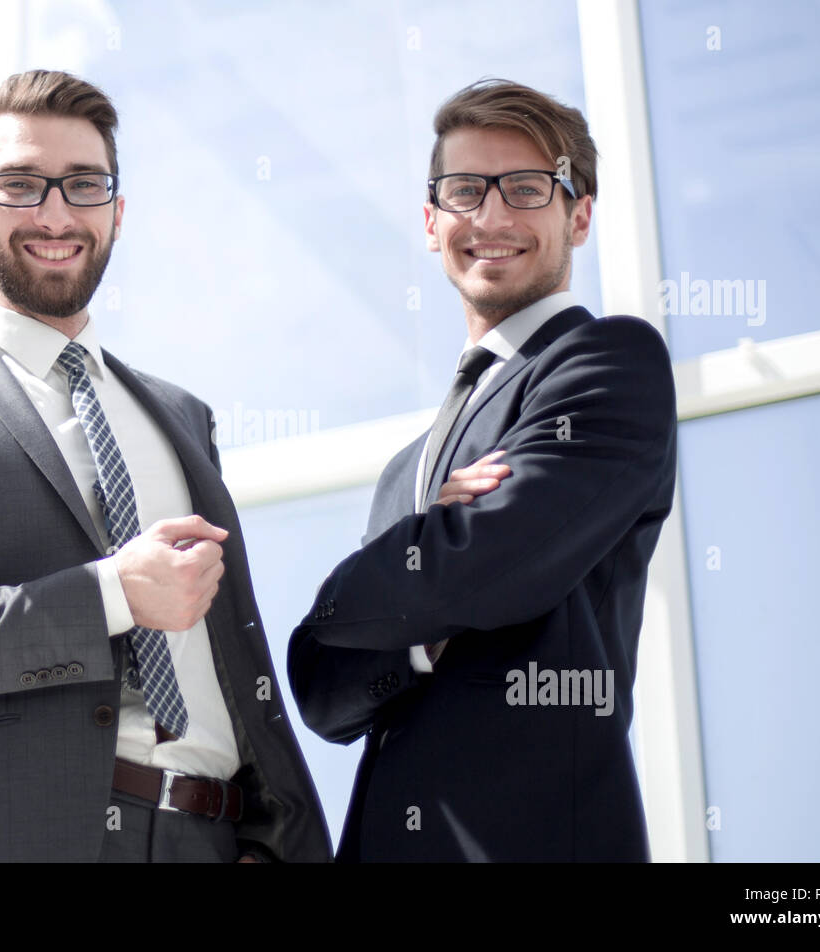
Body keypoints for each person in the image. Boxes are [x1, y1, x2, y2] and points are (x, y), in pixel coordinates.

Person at [0, 69, 330, 863]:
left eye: (83, 185)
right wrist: (109, 597)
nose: (56, 213)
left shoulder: (183, 416)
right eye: (20, 185)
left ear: (117, 213)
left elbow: (231, 660)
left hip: (214, 836)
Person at [287, 79, 677, 862]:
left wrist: (394, 575)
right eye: (466, 191)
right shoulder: (407, 472)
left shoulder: (606, 363)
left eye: (528, 189)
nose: (493, 218)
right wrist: (430, 545)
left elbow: (499, 567)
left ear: (579, 215)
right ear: (432, 223)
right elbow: (324, 688)